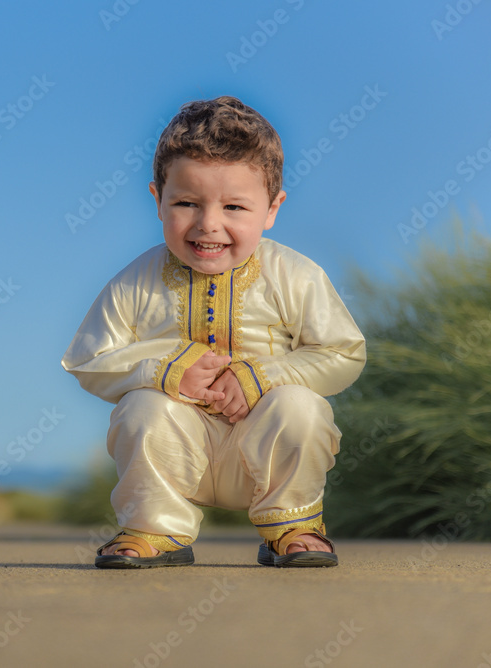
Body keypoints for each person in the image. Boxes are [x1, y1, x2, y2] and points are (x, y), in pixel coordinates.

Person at [61, 96, 366, 568]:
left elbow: (343, 352)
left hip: (264, 456)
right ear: (157, 200)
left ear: (272, 208)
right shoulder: (135, 281)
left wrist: (265, 376)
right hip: (175, 453)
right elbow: (86, 358)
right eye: (186, 203)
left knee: (301, 406)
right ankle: (153, 529)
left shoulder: (295, 275)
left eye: (234, 207)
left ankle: (293, 526)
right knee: (141, 407)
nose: (209, 224)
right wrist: (164, 372)